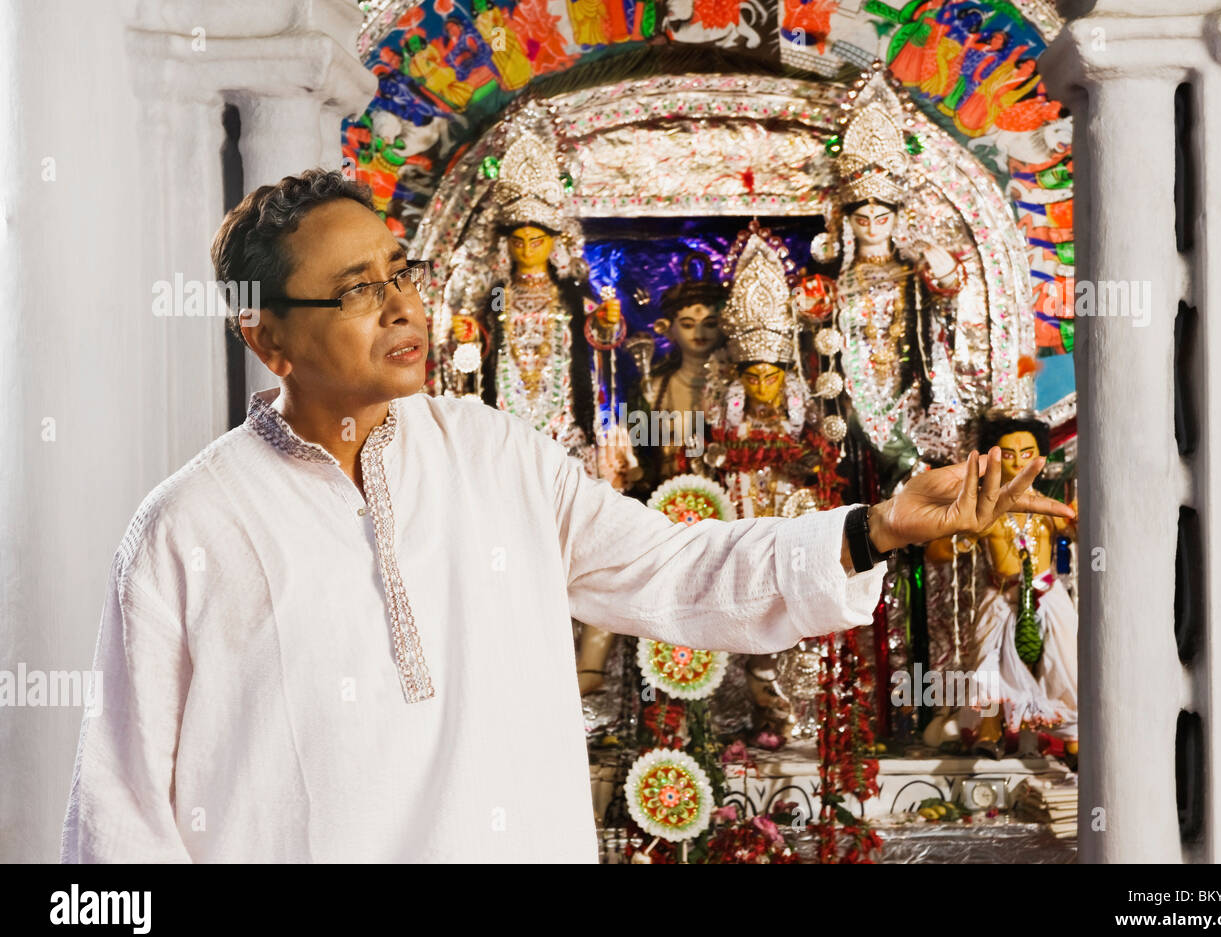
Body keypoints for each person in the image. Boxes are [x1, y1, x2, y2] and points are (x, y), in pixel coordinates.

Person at [59, 169, 1073, 863]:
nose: (404, 306)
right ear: (266, 336)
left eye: (400, 272)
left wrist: (876, 527)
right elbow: (120, 810)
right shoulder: (189, 528)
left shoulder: (493, 455)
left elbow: (678, 571)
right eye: (359, 291)